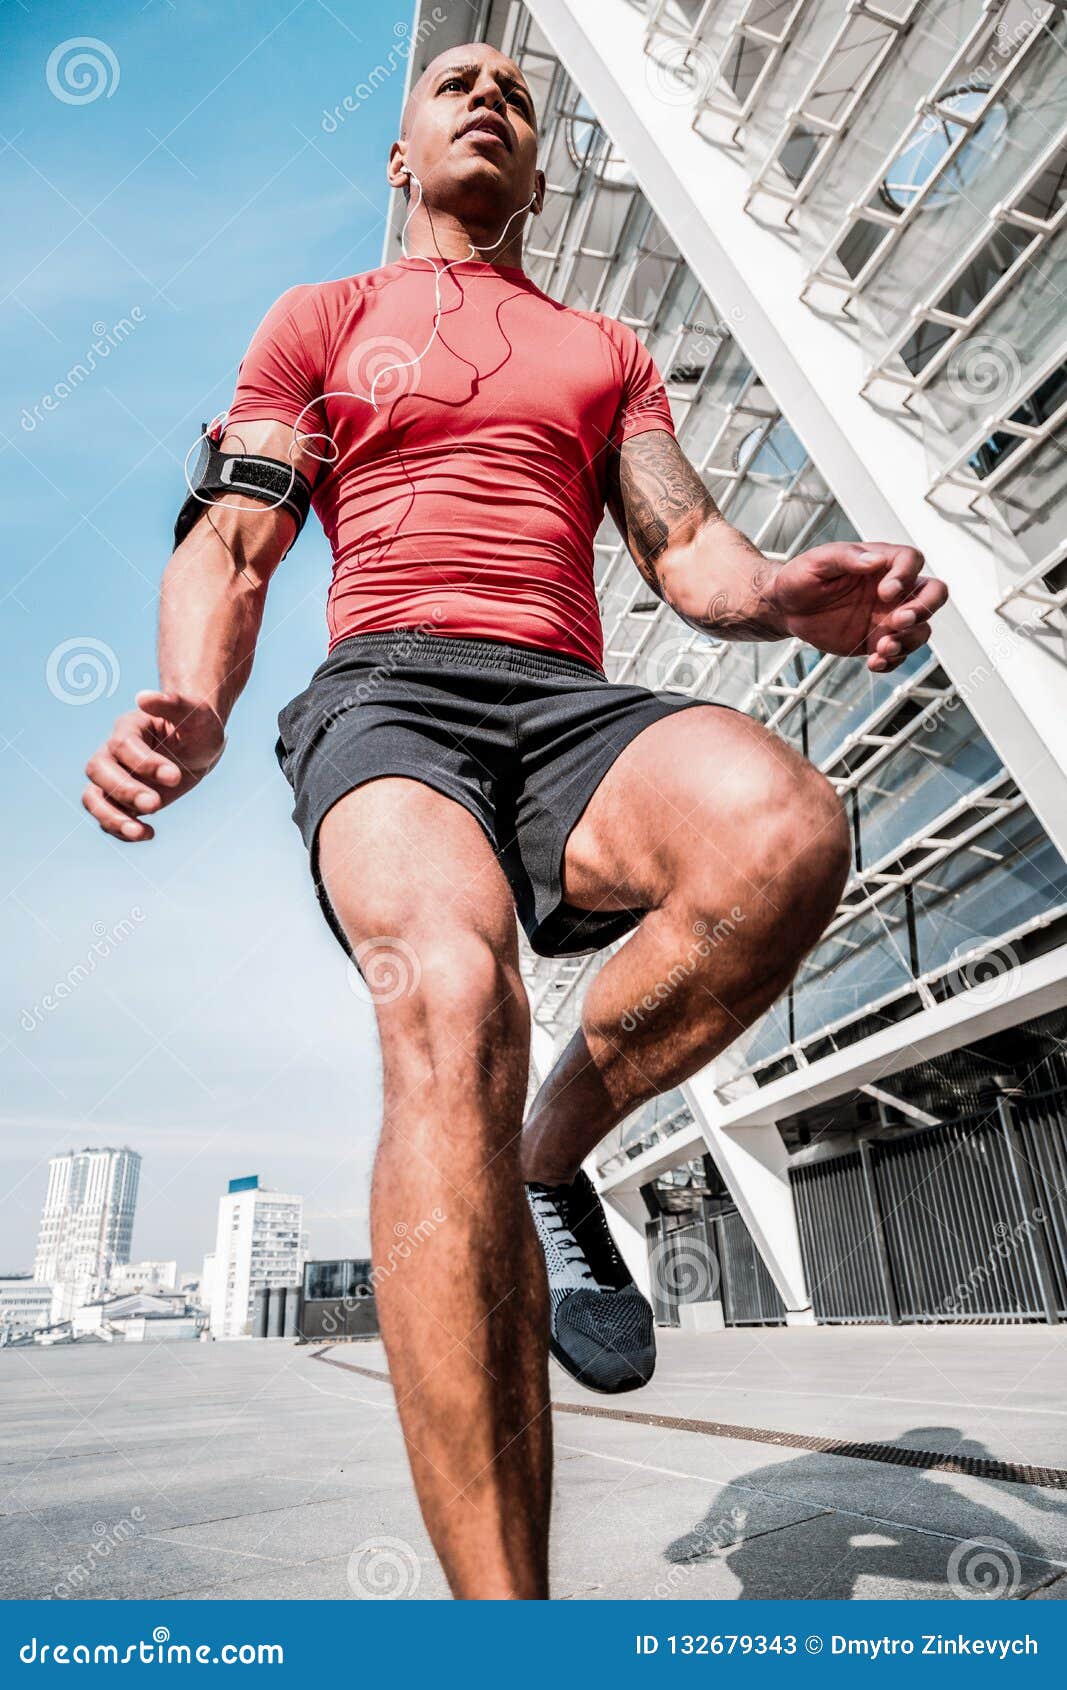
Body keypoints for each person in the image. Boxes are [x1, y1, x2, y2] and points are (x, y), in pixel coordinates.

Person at [82, 44, 948, 1600]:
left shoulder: (607, 345)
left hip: (564, 698)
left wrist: (774, 594)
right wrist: (195, 701)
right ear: (398, 156)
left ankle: (559, 1151)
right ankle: (508, 1632)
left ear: (540, 173)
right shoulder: (322, 321)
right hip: (388, 697)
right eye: (456, 84)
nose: (489, 93)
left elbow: (684, 544)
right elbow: (235, 539)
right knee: (455, 992)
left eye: (520, 96)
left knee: (785, 828)